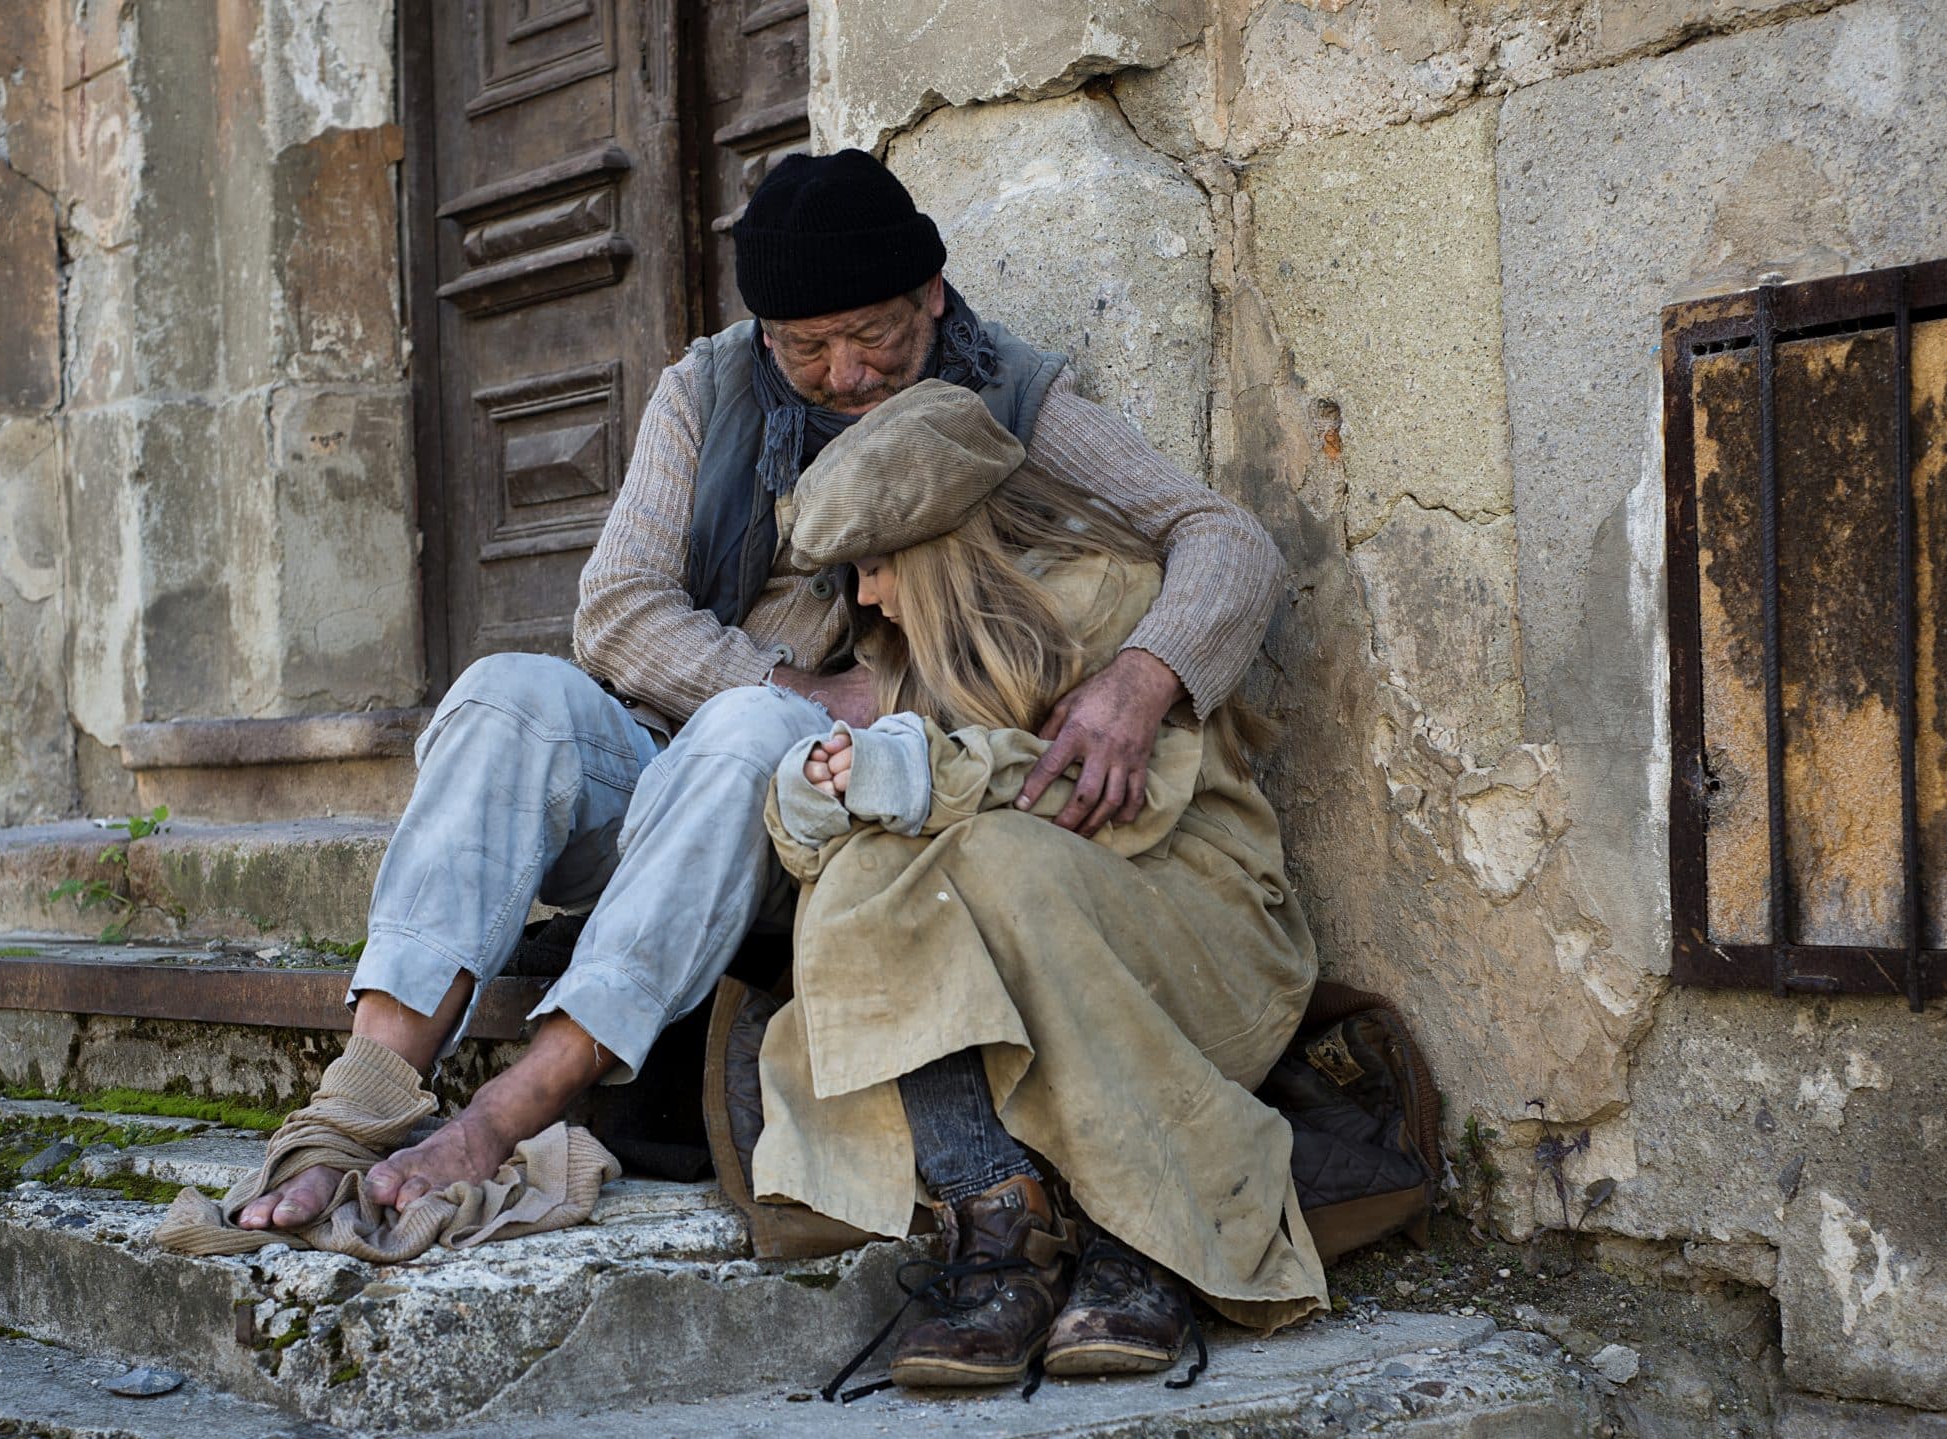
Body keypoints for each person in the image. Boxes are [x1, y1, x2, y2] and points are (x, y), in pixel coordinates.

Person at [229, 149, 1287, 1350]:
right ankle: (357, 1099)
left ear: (932, 295)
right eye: (806, 345)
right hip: (690, 769)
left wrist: (1140, 679)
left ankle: (523, 1103)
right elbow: (615, 610)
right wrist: (797, 685)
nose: (847, 374)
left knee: (747, 731)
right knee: (504, 695)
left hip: (836, 815)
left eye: (875, 335)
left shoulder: (1004, 400)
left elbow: (1225, 538)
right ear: (762, 330)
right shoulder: (709, 390)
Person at [752, 380, 1322, 1392]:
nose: (869, 597)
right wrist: (814, 795)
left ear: (943, 544)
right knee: (866, 872)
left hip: (1205, 940)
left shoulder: (1105, 598)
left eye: (878, 565)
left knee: (993, 858)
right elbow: (850, 834)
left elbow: (1101, 805)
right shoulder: (906, 643)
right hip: (1046, 942)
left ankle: (1141, 1223)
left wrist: (921, 777)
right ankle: (995, 1212)